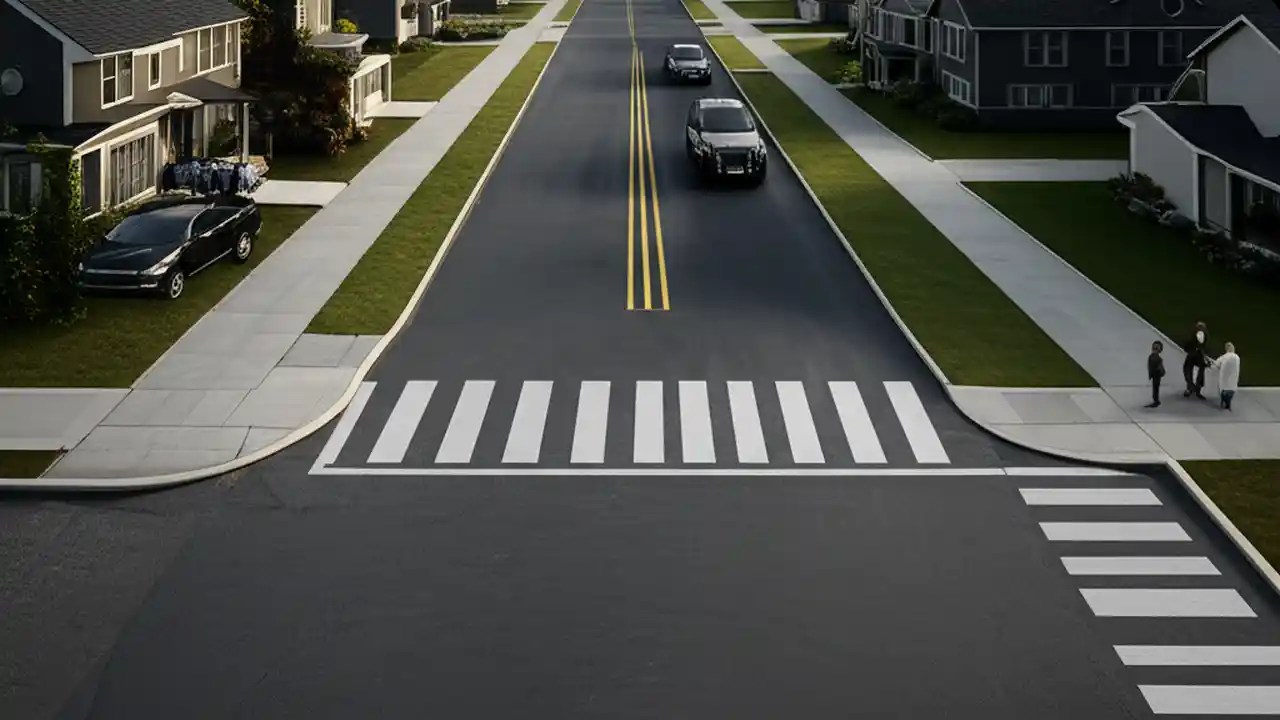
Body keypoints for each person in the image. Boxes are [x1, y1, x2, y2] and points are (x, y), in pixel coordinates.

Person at [1182, 321, 1208, 399]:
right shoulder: (1206, 334)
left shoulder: (1194, 333)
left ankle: (1190, 387)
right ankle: (1198, 388)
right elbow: (1205, 344)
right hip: (1200, 355)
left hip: (1192, 354)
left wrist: (1188, 350)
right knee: (1201, 370)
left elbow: (1188, 343)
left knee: (1187, 369)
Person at [1215, 342, 1241, 411]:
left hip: (1224, 383)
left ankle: (1224, 400)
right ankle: (1228, 402)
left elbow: (1216, 364)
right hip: (1233, 382)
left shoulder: (1224, 357)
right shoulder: (1237, 357)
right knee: (1231, 390)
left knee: (1223, 389)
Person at [1146, 340, 1165, 408]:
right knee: (1155, 388)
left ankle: (1156, 400)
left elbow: (1161, 367)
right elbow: (1149, 366)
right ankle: (1155, 400)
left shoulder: (1158, 359)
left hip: (1157, 375)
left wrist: (1161, 372)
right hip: (1154, 375)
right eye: (1154, 348)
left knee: (1155, 388)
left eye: (1156, 349)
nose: (1154, 350)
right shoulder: (1151, 357)